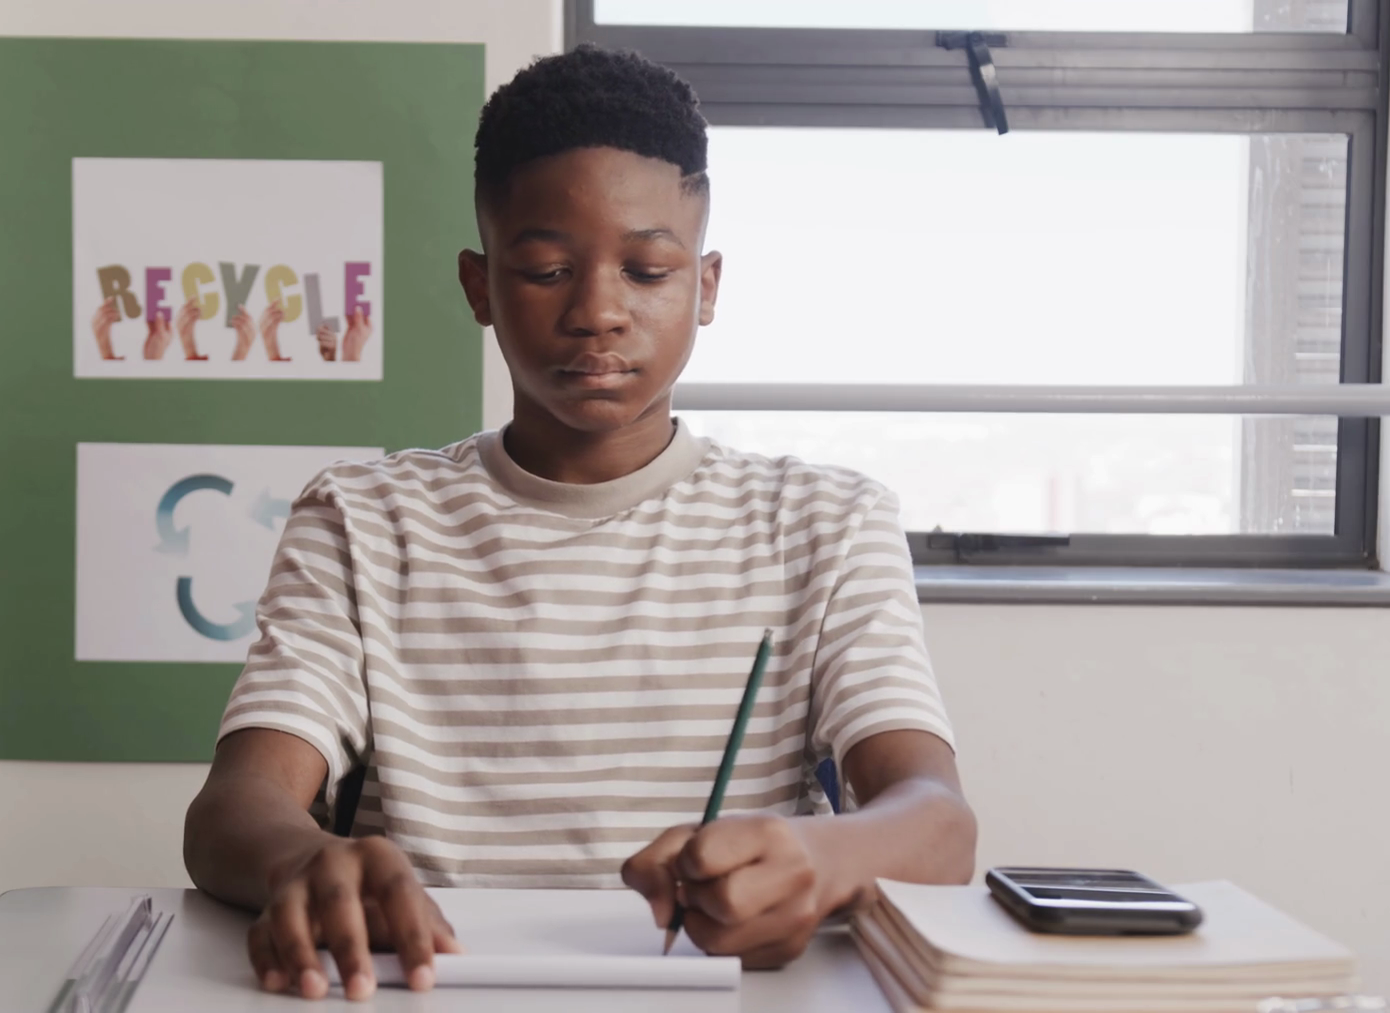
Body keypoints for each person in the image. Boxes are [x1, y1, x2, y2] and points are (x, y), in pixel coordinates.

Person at [183, 44, 975, 1002]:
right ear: (480, 287)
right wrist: (301, 859)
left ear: (707, 286)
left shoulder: (825, 524)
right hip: (431, 987)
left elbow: (937, 821)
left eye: (647, 269)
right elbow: (235, 807)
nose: (599, 312)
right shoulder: (362, 520)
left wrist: (827, 854)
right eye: (549, 269)